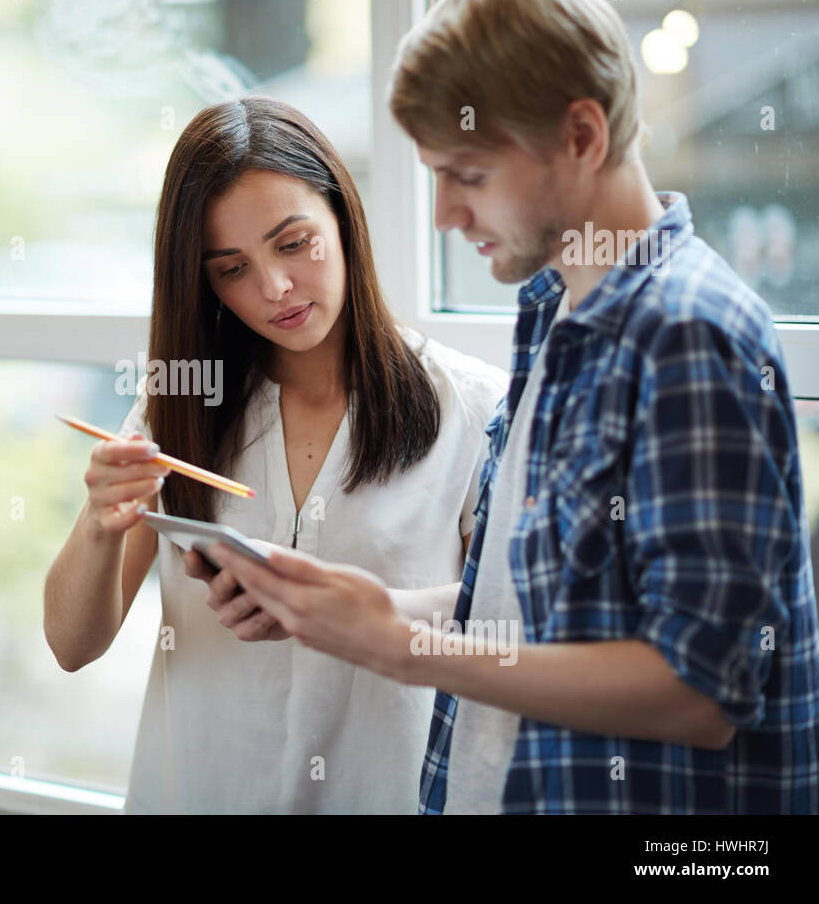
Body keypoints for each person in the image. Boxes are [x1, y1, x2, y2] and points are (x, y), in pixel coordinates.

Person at [202, 0, 819, 814]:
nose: (446, 215)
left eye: (469, 174)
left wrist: (400, 648)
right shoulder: (556, 311)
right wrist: (370, 607)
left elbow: (700, 693)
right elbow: (543, 612)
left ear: (581, 136)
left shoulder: (688, 336)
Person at [43, 96, 508, 813]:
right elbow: (72, 645)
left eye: (294, 244)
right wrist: (102, 518)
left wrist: (361, 611)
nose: (274, 289)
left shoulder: (472, 409)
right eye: (231, 269)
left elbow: (514, 624)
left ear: (342, 218)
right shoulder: (178, 407)